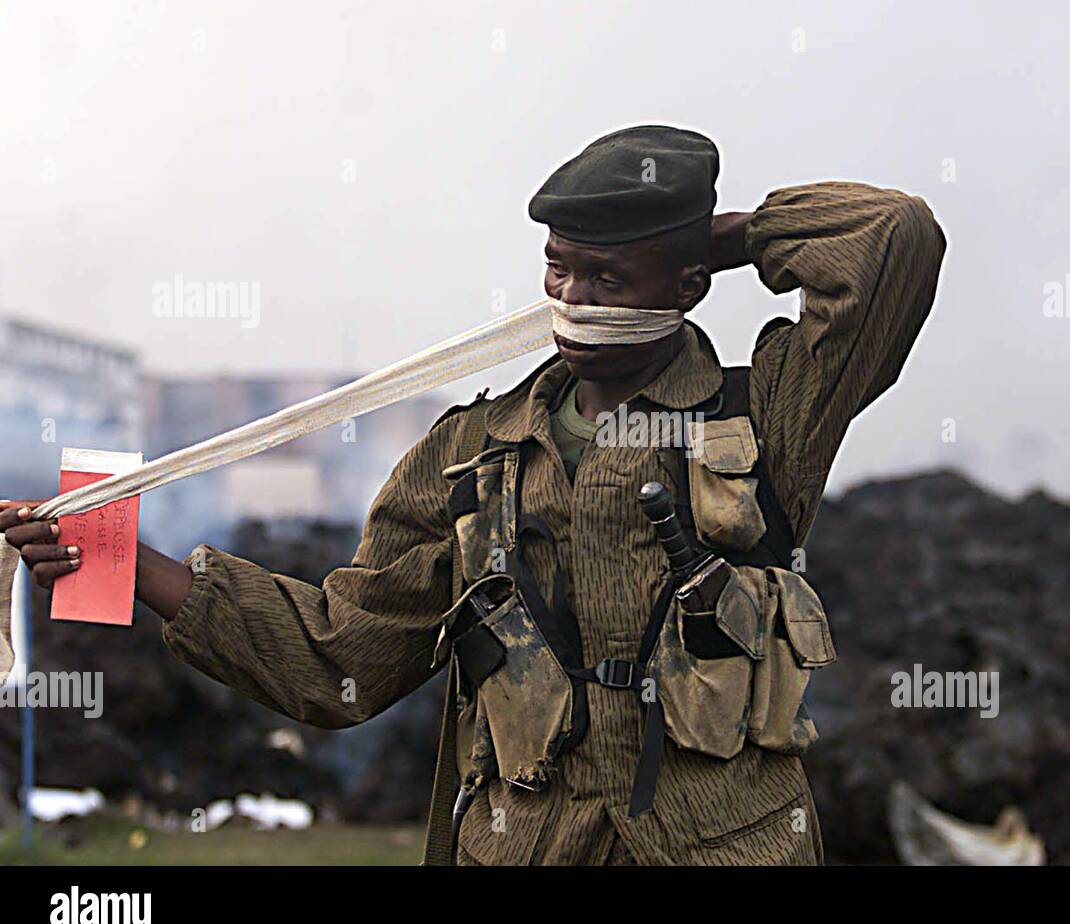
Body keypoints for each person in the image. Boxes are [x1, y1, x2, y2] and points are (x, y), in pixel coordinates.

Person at [1, 124, 945, 865]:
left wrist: (728, 238)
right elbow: (344, 659)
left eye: (608, 276)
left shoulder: (769, 414)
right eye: (558, 265)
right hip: (525, 847)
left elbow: (890, 239)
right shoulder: (470, 451)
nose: (571, 298)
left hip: (724, 849)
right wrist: (128, 566)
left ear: (688, 282)